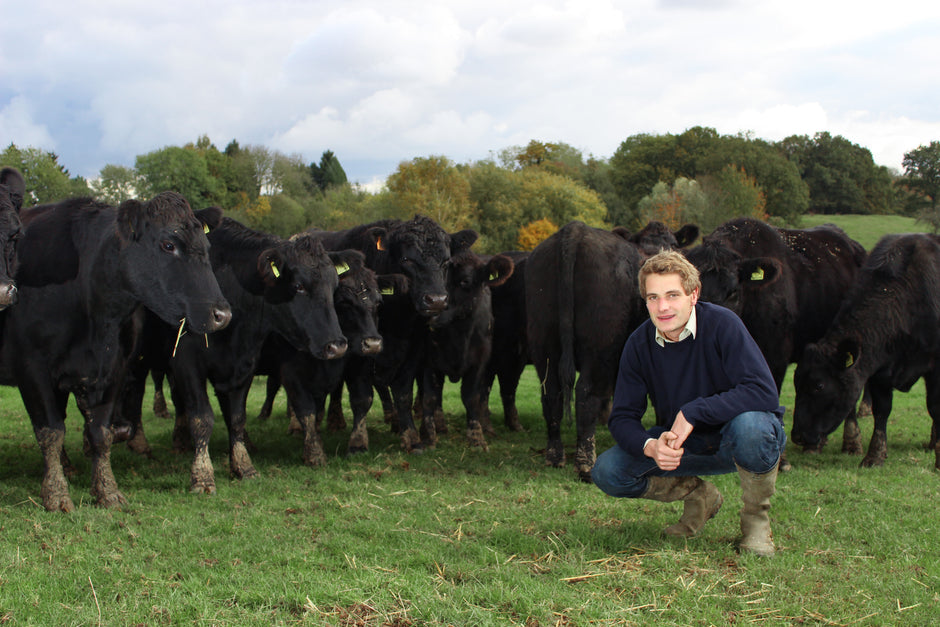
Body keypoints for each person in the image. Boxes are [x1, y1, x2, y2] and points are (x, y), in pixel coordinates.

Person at [591, 250, 785, 557]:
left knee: (752, 426)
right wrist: (650, 446)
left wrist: (693, 411)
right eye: (652, 297)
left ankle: (756, 520)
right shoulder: (639, 344)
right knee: (607, 471)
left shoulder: (724, 325)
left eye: (672, 295)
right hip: (684, 448)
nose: (663, 307)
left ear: (693, 294)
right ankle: (699, 495)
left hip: (738, 443)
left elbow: (763, 392)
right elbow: (623, 417)